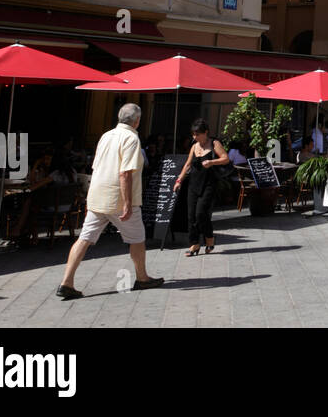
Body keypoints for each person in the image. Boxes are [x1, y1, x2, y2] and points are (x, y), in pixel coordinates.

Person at [56, 104, 163, 299]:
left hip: (98, 194)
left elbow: (96, 166)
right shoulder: (131, 138)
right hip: (118, 198)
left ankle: (67, 281)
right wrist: (128, 203)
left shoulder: (106, 135)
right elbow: (125, 173)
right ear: (137, 121)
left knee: (85, 238)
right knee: (137, 238)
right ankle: (142, 278)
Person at [173, 119, 229, 257]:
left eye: (198, 134)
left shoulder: (214, 143)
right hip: (193, 184)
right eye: (193, 134)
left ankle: (209, 238)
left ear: (206, 133)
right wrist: (179, 180)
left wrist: (212, 162)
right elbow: (187, 165)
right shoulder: (194, 146)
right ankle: (194, 244)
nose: (195, 137)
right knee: (191, 216)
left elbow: (225, 158)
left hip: (209, 184)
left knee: (200, 214)